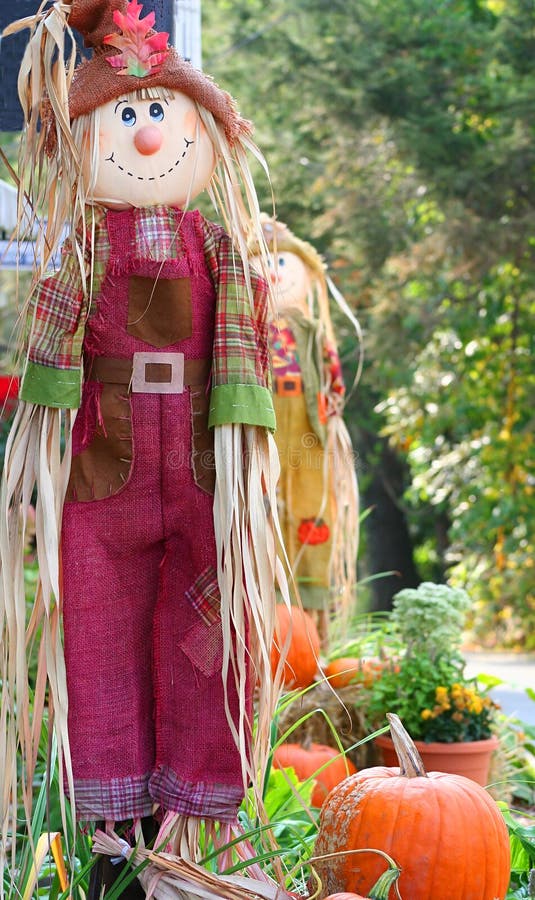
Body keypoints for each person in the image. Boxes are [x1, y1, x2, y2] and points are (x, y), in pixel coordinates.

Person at [0, 1, 287, 895]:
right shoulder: (81, 246)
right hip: (104, 464)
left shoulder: (217, 242)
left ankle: (193, 833)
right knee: (96, 631)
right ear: (85, 135)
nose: (149, 134)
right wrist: (33, 454)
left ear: (201, 132)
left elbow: (248, 329)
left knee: (212, 626)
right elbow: (49, 350)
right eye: (126, 117)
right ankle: (115, 836)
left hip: (207, 466)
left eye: (162, 112)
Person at [251, 216, 360, 647]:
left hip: (310, 436)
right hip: (266, 430)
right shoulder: (244, 330)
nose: (275, 271)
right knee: (263, 505)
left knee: (311, 508)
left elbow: (334, 381)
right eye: (266, 262)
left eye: (283, 262)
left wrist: (332, 403)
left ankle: (311, 623)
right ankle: (264, 611)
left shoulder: (314, 334)